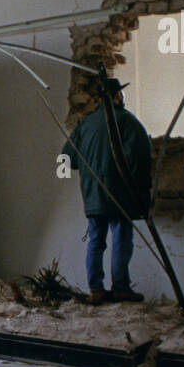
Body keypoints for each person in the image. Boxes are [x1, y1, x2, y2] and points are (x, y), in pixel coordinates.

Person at [62, 78, 152, 305]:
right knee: (121, 239)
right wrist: (141, 193)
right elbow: (140, 158)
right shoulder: (127, 122)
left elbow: (67, 158)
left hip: (92, 195)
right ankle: (120, 288)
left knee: (96, 241)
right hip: (120, 195)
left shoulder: (85, 124)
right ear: (117, 96)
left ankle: (96, 289)